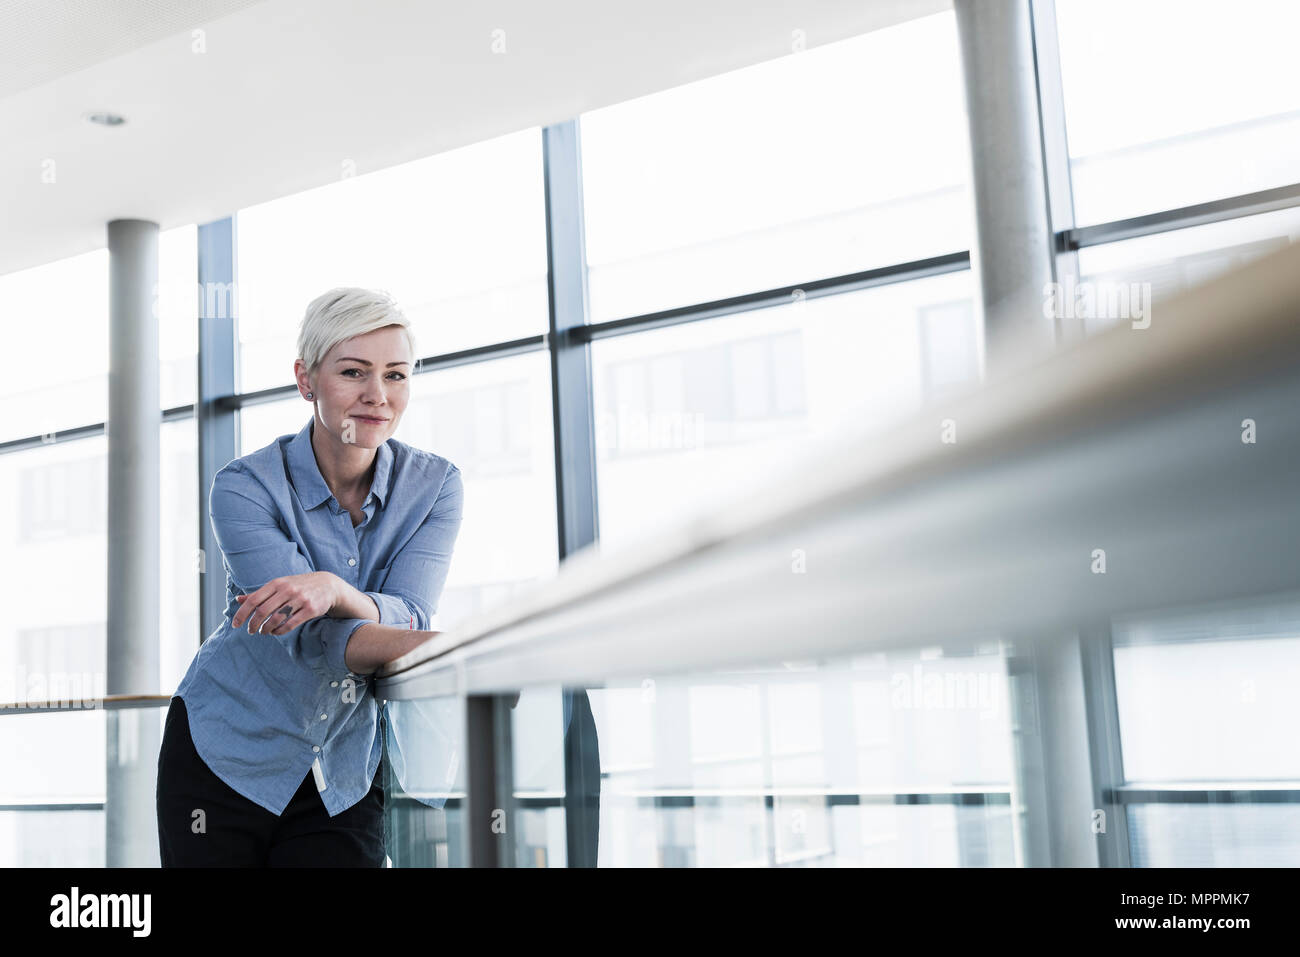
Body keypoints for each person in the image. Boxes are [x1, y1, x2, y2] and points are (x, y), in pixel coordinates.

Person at [156, 287, 464, 867]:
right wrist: (431, 642)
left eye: (396, 375)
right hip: (226, 756)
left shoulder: (435, 486)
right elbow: (308, 638)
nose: (378, 396)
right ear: (306, 379)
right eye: (354, 372)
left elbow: (413, 615)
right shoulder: (244, 486)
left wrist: (338, 590)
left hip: (341, 770)